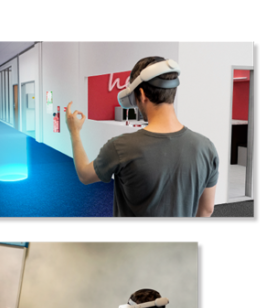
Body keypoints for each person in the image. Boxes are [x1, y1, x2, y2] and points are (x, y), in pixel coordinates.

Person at [65, 56, 218, 217]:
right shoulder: (206, 148)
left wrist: (74, 131)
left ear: (142, 95)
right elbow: (207, 209)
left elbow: (84, 174)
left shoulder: (121, 147)